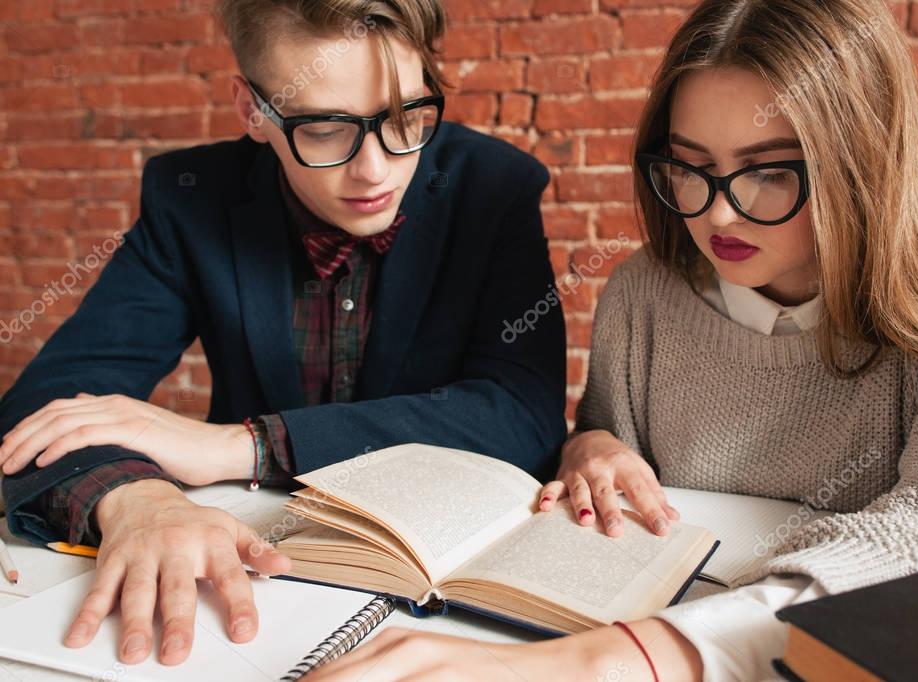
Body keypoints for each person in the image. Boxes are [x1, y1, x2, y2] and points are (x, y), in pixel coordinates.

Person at [301, 0, 918, 679]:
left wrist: (608, 661)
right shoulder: (645, 293)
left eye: (769, 172)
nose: (718, 216)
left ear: (865, 163)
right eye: (688, 167)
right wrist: (593, 446)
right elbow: (611, 445)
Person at [0, 0, 566, 667]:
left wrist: (245, 447)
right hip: (253, 591)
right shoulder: (190, 197)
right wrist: (138, 502)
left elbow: (521, 413)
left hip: (456, 599)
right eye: (325, 130)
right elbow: (49, 406)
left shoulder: (492, 186)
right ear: (252, 111)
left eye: (406, 118)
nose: (376, 170)